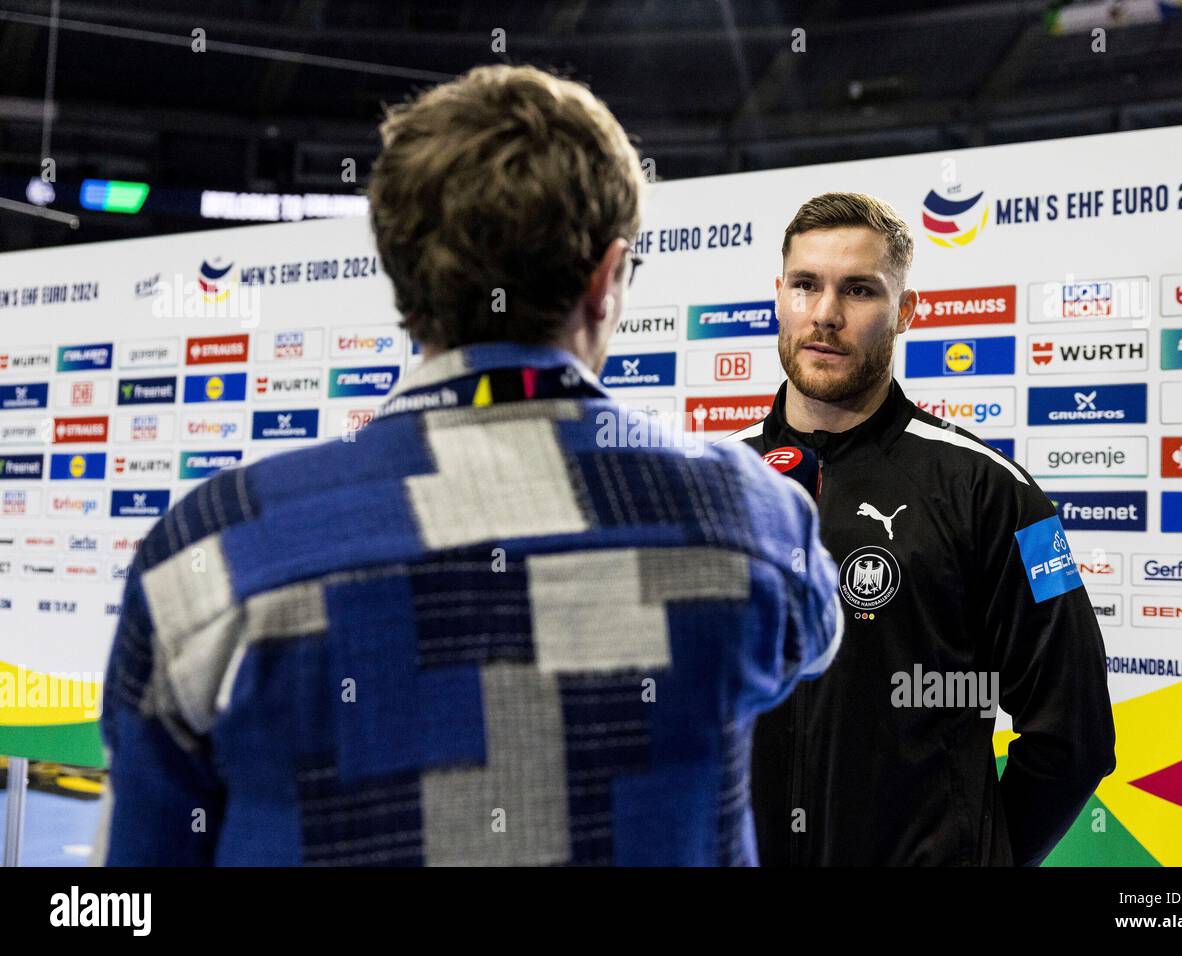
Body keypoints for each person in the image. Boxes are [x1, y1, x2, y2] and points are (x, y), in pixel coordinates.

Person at [94, 65, 842, 866]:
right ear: (605, 278)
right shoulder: (755, 519)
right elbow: (814, 642)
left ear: (401, 273)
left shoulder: (209, 548)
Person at [725, 192, 1116, 866]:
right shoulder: (712, 483)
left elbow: (1072, 735)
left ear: (906, 311)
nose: (825, 314)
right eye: (805, 286)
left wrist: (977, 855)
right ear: (778, 296)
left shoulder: (993, 491)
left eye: (859, 290)